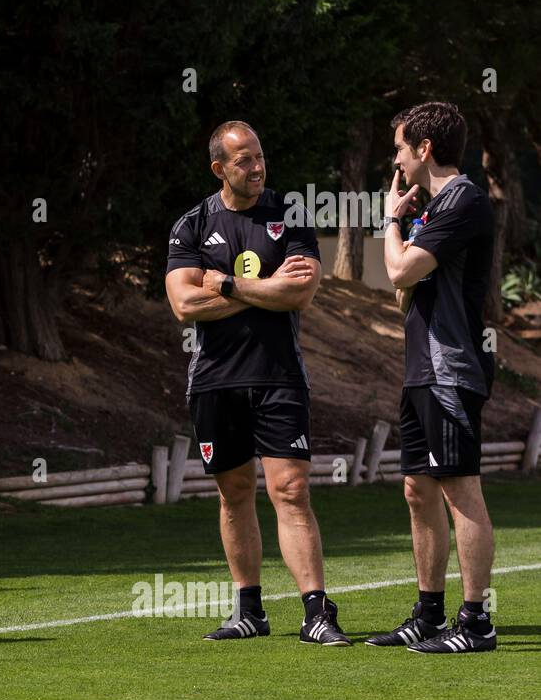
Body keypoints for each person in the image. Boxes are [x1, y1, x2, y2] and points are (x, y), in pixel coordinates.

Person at [165, 121, 349, 646]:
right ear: (219, 168)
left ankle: (316, 611)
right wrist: (266, 287)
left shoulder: (288, 212)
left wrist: (223, 282)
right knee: (234, 493)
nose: (256, 167)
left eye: (260, 156)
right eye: (243, 160)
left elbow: (301, 293)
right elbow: (183, 304)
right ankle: (249, 609)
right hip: (216, 380)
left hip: (279, 375)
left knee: (290, 490)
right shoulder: (192, 225)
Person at [368, 101, 497, 653]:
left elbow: (398, 269)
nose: (395, 159)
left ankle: (476, 624)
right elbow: (402, 291)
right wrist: (409, 227)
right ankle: (428, 615)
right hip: (422, 364)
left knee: (459, 489)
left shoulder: (464, 200)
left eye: (400, 147)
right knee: (418, 489)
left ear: (424, 149)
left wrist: (391, 221)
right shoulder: (435, 208)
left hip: (452, 367)